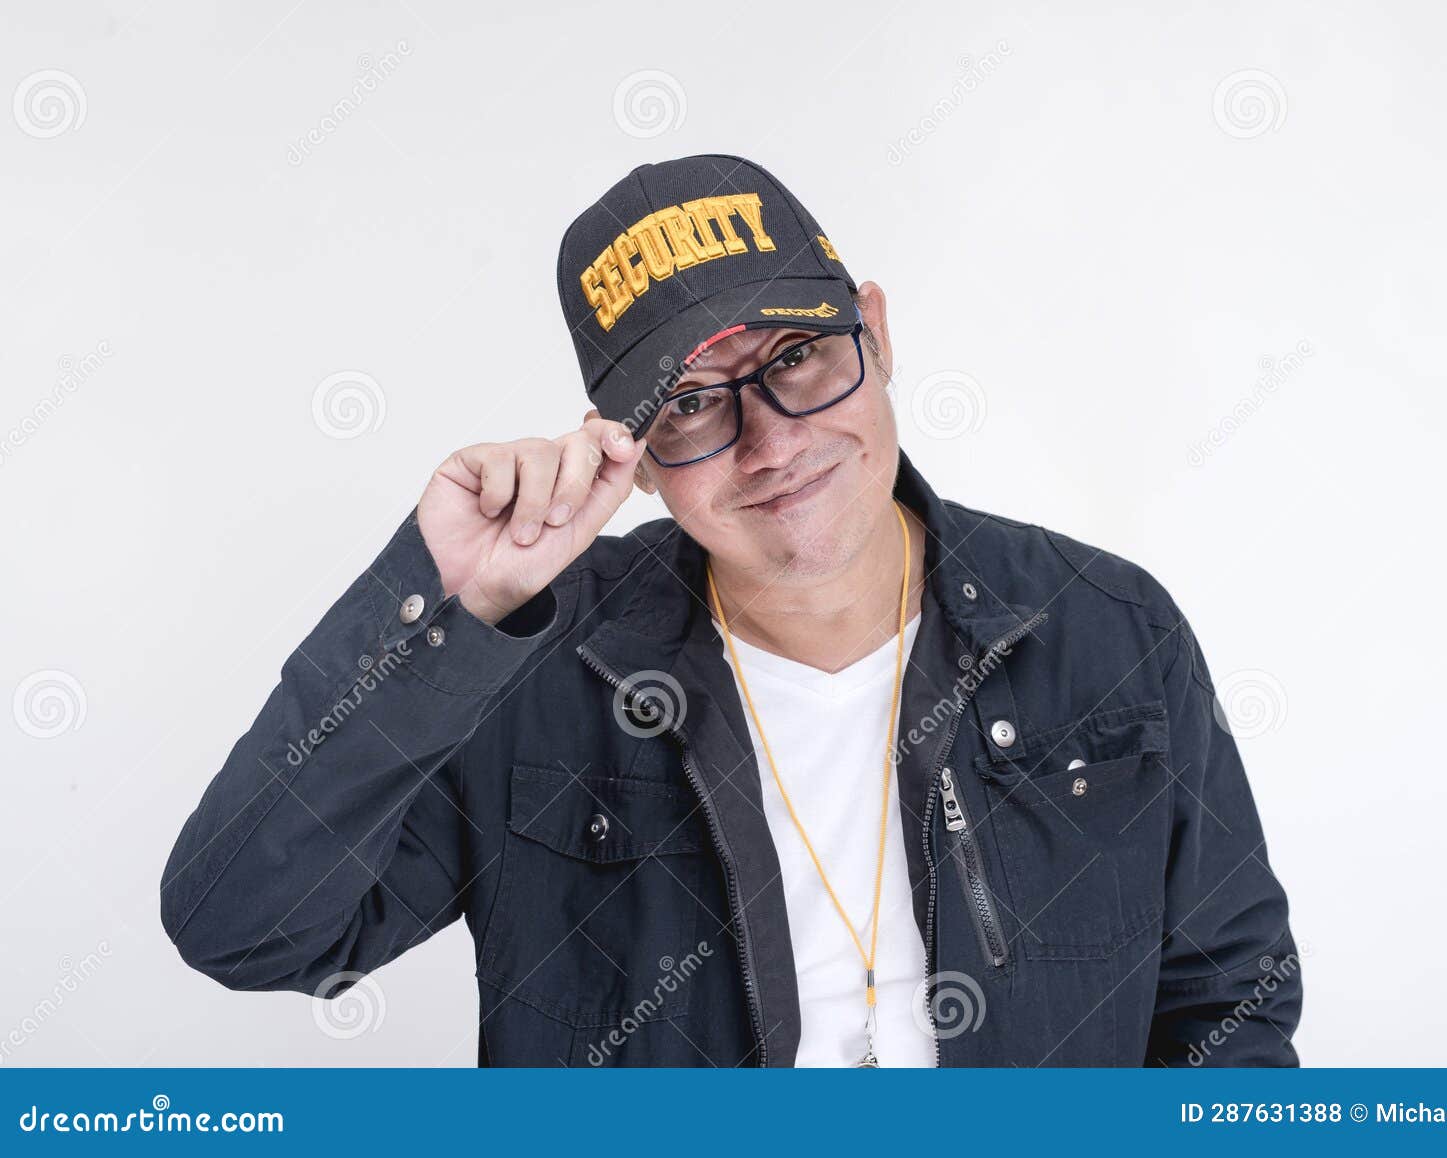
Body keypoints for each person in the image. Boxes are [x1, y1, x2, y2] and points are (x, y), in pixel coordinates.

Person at [161, 153, 1301, 1067]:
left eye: (799, 356)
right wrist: (438, 615)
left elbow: (1227, 1010)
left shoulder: (1104, 627)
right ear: (634, 455)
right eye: (693, 404)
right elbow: (247, 928)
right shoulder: (525, 664)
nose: (771, 444)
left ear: (878, 333)